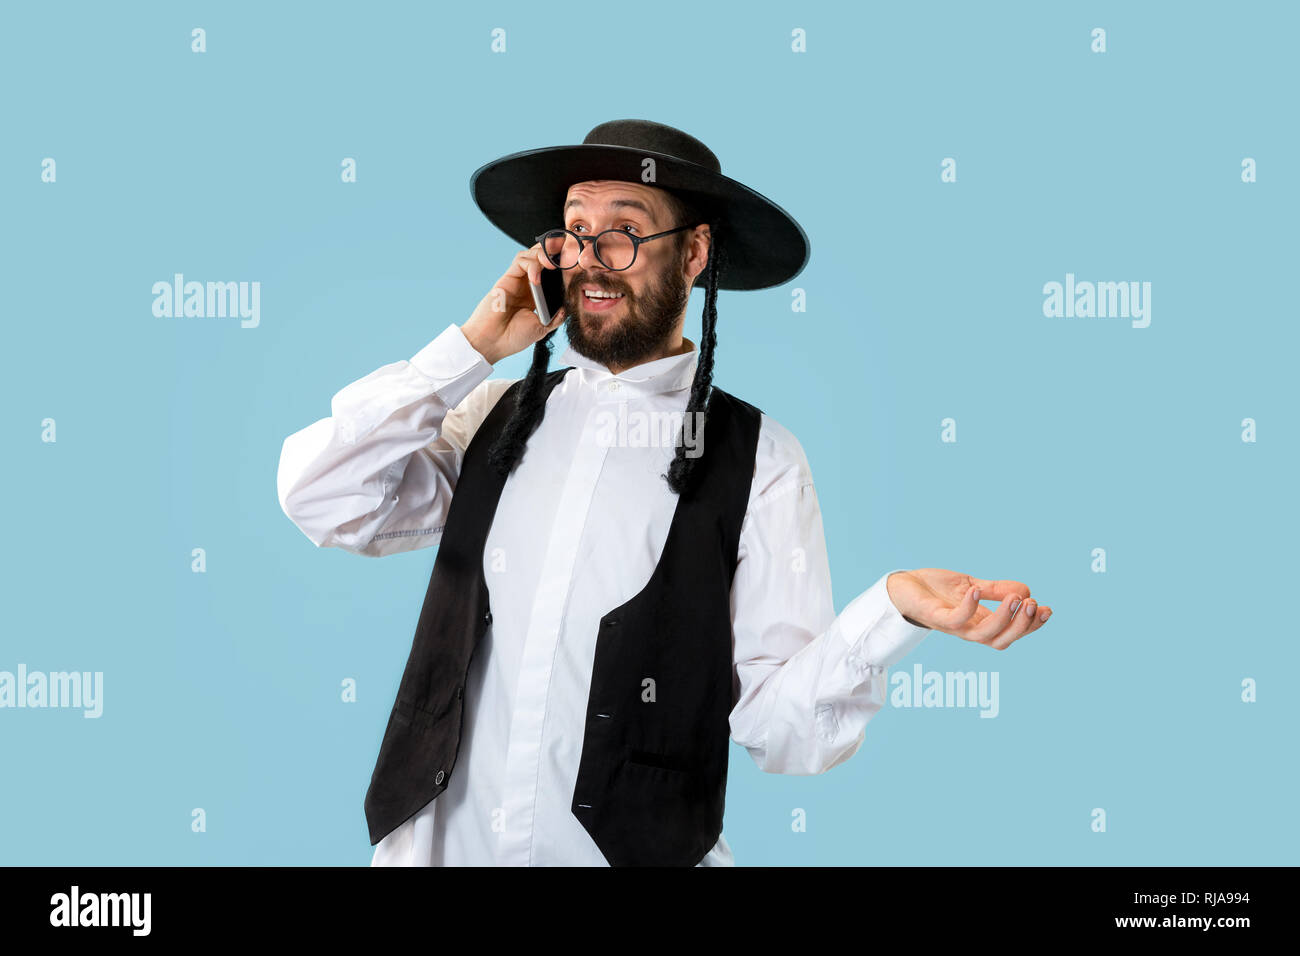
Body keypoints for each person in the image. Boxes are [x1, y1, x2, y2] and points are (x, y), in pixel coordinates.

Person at [276, 119, 1053, 867]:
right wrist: (471, 349)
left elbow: (787, 735)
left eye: (624, 229)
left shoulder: (762, 462)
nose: (590, 257)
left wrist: (888, 611)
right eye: (575, 229)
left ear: (694, 253)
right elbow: (324, 494)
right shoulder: (491, 418)